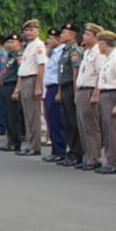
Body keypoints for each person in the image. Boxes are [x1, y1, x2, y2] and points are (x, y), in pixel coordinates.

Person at [92, 32, 116, 174]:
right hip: (105, 94)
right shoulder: (107, 58)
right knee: (107, 130)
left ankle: (115, 163)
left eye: (99, 43)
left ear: (105, 44)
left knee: (114, 131)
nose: (98, 47)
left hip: (113, 94)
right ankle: (110, 160)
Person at [74, 25, 104, 171]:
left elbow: (100, 74)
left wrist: (96, 93)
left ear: (96, 36)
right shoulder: (87, 52)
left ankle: (94, 158)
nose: (84, 36)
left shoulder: (98, 52)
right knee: (83, 127)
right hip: (82, 89)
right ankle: (87, 156)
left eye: (88, 34)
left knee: (91, 127)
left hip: (90, 90)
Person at [15, 19, 47, 155]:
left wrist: (38, 86)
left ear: (38, 31)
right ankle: (30, 144)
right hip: (26, 79)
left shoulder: (39, 45)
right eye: (26, 30)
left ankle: (35, 146)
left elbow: (41, 66)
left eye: (32, 30)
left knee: (34, 116)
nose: (29, 32)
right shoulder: (29, 46)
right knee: (28, 115)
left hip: (33, 79)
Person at [56, 24, 84, 167]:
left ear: (73, 36)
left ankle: (77, 153)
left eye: (65, 32)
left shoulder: (74, 51)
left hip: (71, 88)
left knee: (73, 123)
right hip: (64, 87)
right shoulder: (64, 51)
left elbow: (75, 73)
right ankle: (71, 151)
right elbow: (61, 74)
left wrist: (75, 92)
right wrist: (60, 92)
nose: (61, 34)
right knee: (66, 122)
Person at [43, 27, 66, 159]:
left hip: (57, 87)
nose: (48, 41)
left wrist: (59, 91)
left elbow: (60, 74)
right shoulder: (54, 52)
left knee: (56, 120)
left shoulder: (62, 52)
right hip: (50, 87)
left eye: (51, 38)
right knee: (51, 119)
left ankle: (59, 150)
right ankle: (55, 150)